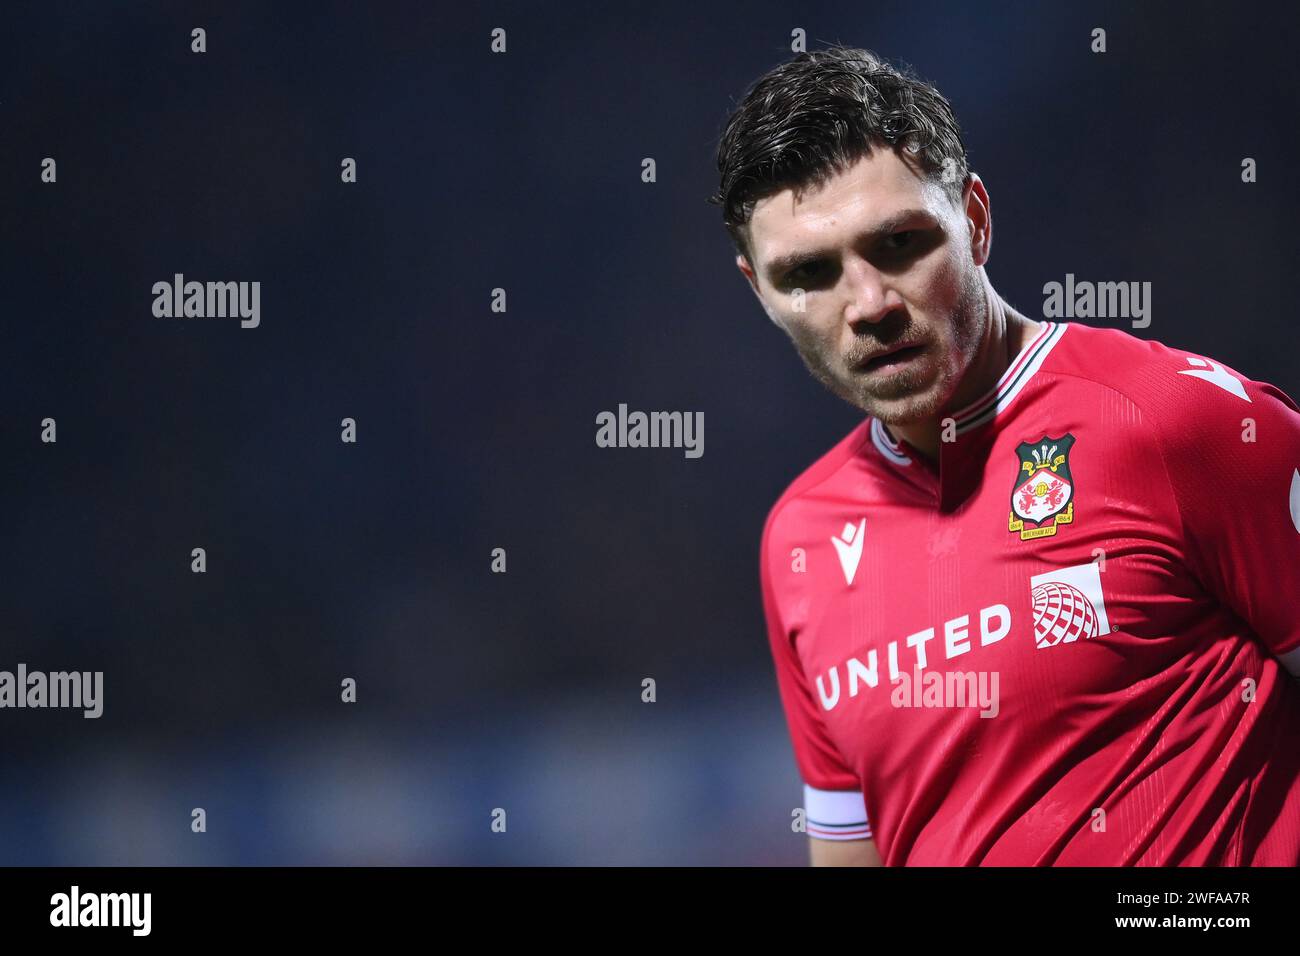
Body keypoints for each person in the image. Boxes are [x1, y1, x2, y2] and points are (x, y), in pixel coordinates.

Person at [710, 44, 1300, 865]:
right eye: (810, 273)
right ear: (758, 291)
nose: (870, 304)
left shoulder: (1178, 423)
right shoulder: (799, 542)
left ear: (975, 220)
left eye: (899, 244)